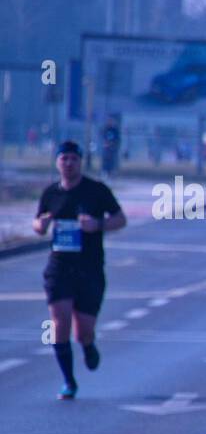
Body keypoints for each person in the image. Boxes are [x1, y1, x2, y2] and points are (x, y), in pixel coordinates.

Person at [31, 141, 127, 399]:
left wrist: (98, 224)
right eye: (64, 159)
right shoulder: (51, 193)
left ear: (80, 162)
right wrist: (41, 225)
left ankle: (88, 345)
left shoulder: (96, 191)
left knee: (82, 330)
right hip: (59, 267)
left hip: (90, 268)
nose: (69, 163)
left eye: (74, 159)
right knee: (59, 323)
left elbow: (121, 219)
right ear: (57, 163)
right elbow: (37, 223)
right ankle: (68, 381)